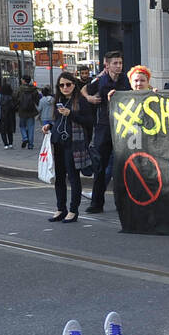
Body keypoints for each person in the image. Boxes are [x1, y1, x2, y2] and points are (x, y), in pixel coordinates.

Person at [44, 71, 96, 223]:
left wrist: (71, 114)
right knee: (59, 178)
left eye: (68, 84)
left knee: (73, 178)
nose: (65, 87)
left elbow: (89, 122)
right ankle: (61, 208)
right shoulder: (58, 101)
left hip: (74, 144)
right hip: (58, 143)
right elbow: (58, 121)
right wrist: (49, 125)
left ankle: (73, 211)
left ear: (74, 85)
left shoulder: (81, 101)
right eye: (62, 85)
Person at [83, 51, 128, 213]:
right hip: (104, 127)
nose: (118, 66)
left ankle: (122, 204)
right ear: (107, 65)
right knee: (100, 167)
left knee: (123, 167)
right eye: (115, 63)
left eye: (120, 63)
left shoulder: (126, 80)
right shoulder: (100, 80)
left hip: (122, 127)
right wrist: (90, 98)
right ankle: (96, 203)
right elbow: (83, 90)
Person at [15, 75, 40, 148]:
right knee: (31, 127)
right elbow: (37, 100)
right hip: (31, 111)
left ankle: (25, 138)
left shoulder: (20, 89)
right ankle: (30, 145)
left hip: (22, 111)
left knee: (22, 126)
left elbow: (16, 99)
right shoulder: (33, 89)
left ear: (23, 80)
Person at [0, 80, 17, 148]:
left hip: (1, 116)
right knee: (9, 131)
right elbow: (14, 106)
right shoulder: (12, 97)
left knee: (3, 131)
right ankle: (10, 144)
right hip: (10, 116)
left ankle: (5, 144)